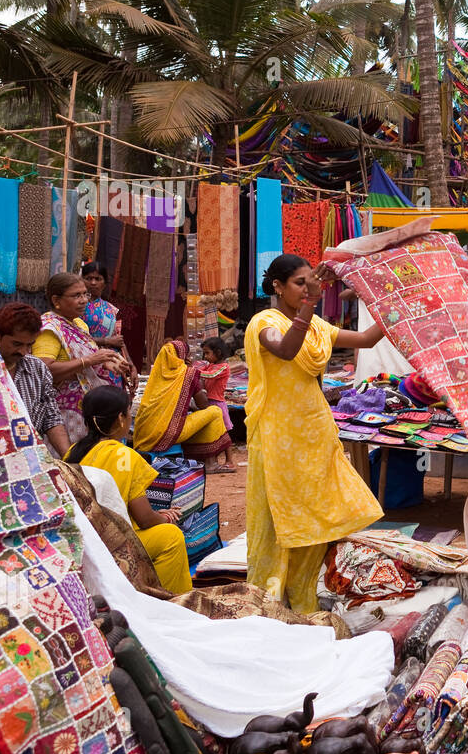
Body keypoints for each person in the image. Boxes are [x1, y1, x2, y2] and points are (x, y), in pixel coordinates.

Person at [246, 254, 386, 611]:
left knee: (315, 517)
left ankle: (302, 599)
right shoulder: (264, 323)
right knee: (277, 521)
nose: (306, 289)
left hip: (314, 435)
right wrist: (310, 303)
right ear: (277, 286)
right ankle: (268, 603)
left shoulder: (316, 325)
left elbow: (367, 339)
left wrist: (395, 305)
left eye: (311, 282)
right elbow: (286, 349)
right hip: (277, 440)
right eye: (299, 283)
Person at [66, 385, 192, 594]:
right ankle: (164, 597)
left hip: (83, 540)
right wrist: (164, 518)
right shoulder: (126, 457)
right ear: (121, 418)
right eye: (128, 413)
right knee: (171, 536)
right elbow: (144, 519)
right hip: (113, 543)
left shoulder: (73, 452)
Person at [34, 272, 129, 443]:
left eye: (85, 294)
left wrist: (106, 364)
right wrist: (90, 361)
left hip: (85, 407)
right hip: (63, 411)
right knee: (70, 454)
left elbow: (85, 358)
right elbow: (43, 369)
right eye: (76, 295)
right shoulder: (49, 328)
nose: (84, 300)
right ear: (56, 300)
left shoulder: (79, 324)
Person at [133, 339, 235, 473]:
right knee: (215, 411)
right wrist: (193, 375)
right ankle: (211, 463)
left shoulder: (157, 375)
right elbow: (203, 405)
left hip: (144, 435)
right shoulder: (187, 374)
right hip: (167, 433)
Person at [0, 302, 70, 457]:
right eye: (17, 344)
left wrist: (68, 457)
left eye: (29, 345)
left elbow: (51, 417)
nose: (23, 352)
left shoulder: (37, 368)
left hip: (31, 457)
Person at [197, 336, 238, 471]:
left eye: (207, 353)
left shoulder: (223, 367)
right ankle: (214, 459)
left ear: (218, 353)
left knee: (224, 432)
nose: (205, 356)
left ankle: (229, 460)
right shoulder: (210, 365)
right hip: (208, 402)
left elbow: (209, 375)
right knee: (214, 431)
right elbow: (203, 370)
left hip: (218, 403)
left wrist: (193, 372)